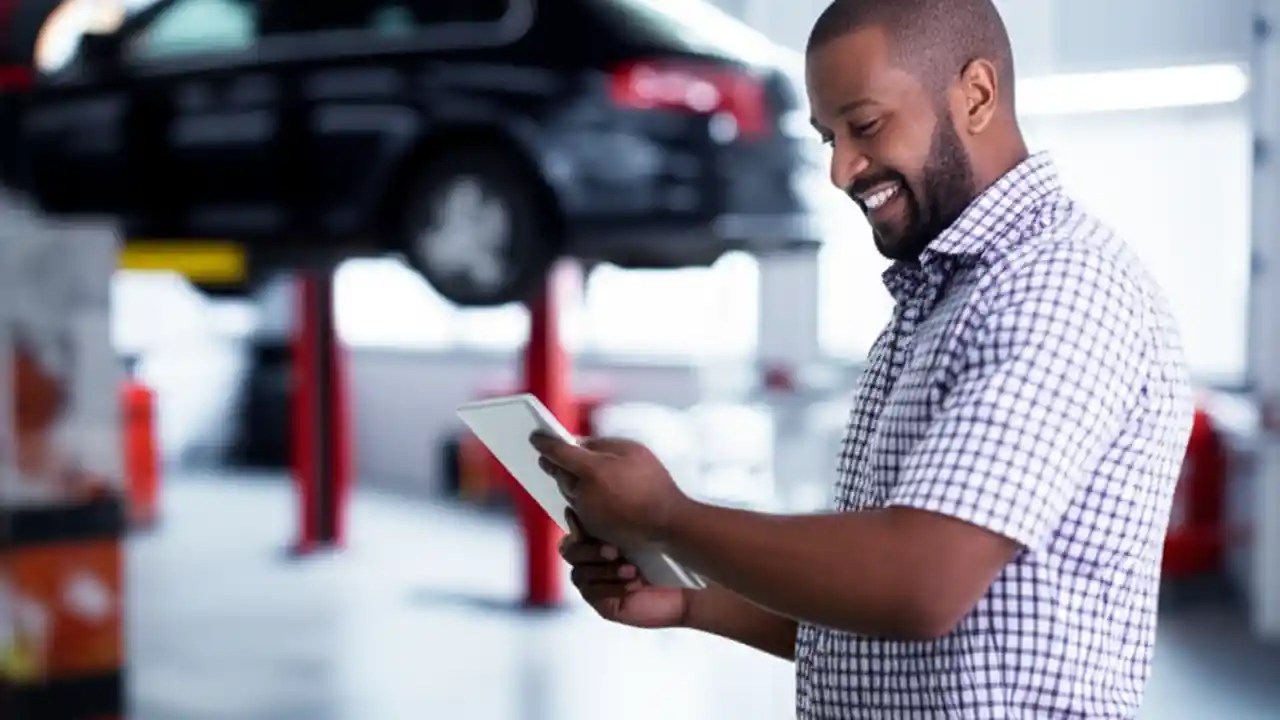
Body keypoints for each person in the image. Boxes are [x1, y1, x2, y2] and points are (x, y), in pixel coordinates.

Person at [532, 0, 1195, 716]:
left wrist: (668, 516)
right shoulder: (937, 304)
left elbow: (918, 583)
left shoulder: (1060, 288)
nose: (842, 169)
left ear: (975, 94)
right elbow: (884, 626)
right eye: (828, 137)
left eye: (867, 125)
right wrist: (694, 599)